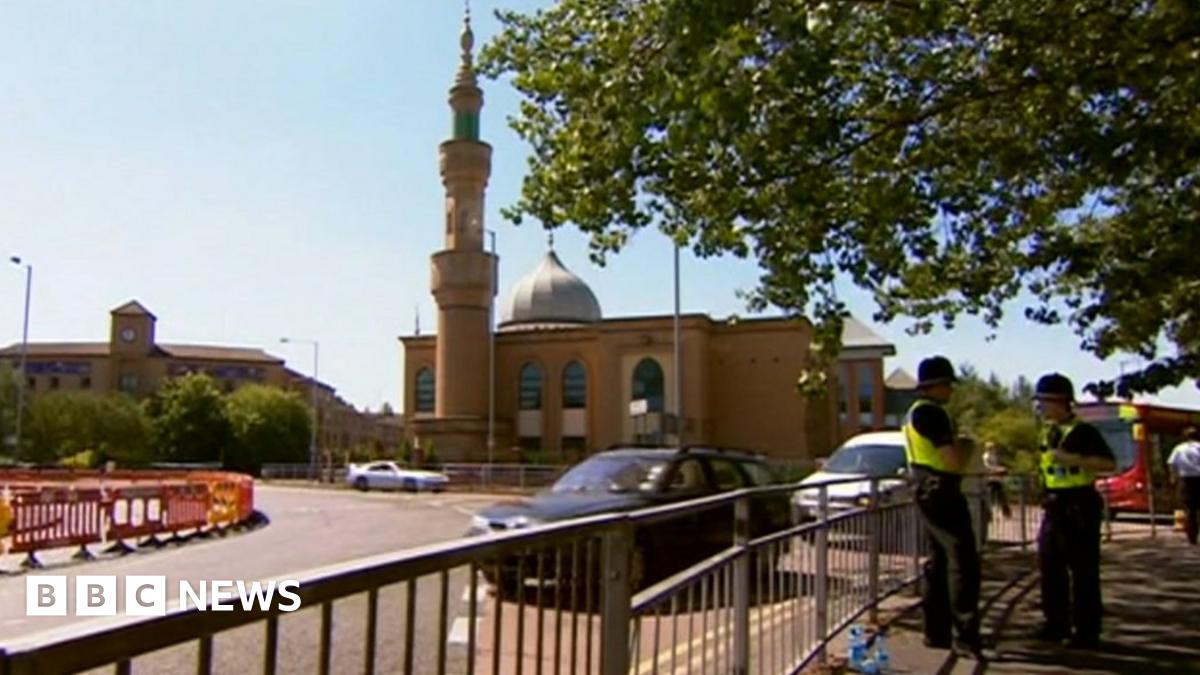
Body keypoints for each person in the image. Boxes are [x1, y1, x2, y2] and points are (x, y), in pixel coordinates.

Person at [903, 356, 982, 656]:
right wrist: (965, 447)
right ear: (935, 386)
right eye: (948, 385)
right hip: (942, 489)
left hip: (924, 487)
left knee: (938, 562)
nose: (951, 390)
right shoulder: (933, 414)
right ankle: (965, 636)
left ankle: (936, 632)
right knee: (963, 560)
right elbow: (952, 460)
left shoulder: (913, 412)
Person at [1032, 373, 1116, 648]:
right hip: (1055, 504)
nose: (1040, 407)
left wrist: (1074, 459)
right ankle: (1055, 624)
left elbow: (1108, 464)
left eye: (1044, 401)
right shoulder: (1047, 431)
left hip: (1080, 504)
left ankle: (1087, 630)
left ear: (1060, 401)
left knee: (1082, 569)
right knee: (1050, 565)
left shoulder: (1083, 432)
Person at [1167, 426, 1200, 545]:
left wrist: (1173, 477)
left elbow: (1171, 463)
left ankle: (1192, 537)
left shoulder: (1179, 448)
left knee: (1190, 509)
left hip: (1185, 480)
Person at [983, 441, 1012, 518]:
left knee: (1001, 496)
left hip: (996, 479)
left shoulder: (994, 456)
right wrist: (998, 470)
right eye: (992, 448)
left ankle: (1005, 512)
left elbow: (996, 465)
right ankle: (988, 513)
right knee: (991, 497)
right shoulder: (986, 456)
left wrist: (1001, 469)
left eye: (993, 448)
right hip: (990, 479)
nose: (993, 449)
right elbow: (987, 467)